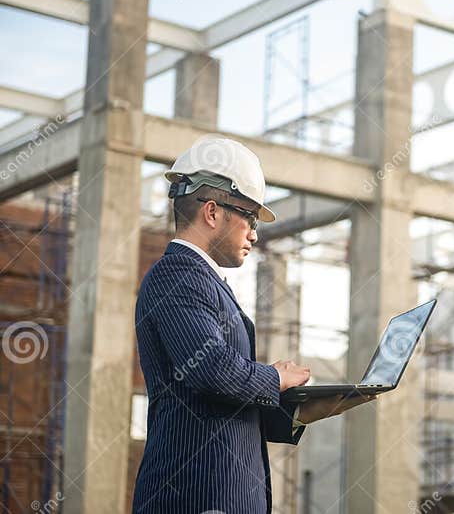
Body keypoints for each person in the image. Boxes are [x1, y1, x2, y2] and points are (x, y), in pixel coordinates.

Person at [132, 135, 372, 513]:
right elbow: (211, 370)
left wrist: (297, 410)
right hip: (195, 497)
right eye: (249, 216)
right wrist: (274, 378)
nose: (255, 233)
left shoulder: (202, 281)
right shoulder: (177, 276)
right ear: (212, 212)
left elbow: (218, 406)